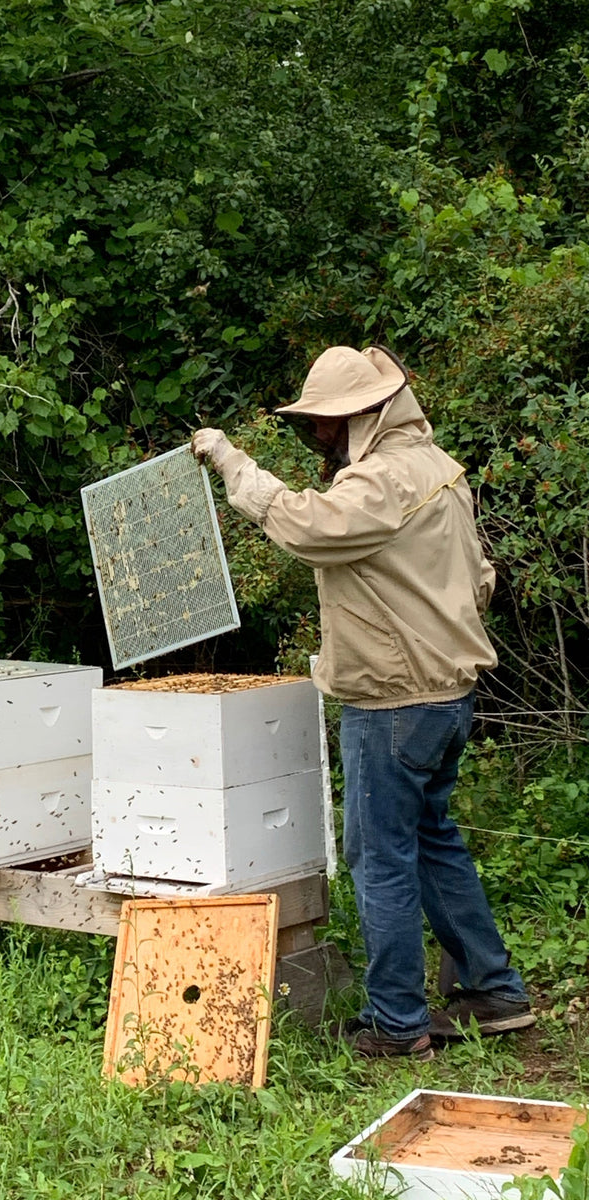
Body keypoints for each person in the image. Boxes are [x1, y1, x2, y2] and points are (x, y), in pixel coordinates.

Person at [192, 344, 533, 1061]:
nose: (320, 436)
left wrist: (232, 463)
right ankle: (495, 992)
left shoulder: (382, 482)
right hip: (448, 693)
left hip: (393, 700)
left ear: (366, 414)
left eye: (328, 423)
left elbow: (303, 526)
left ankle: (398, 1024)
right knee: (432, 838)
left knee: (379, 859)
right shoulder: (442, 471)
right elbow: (480, 579)